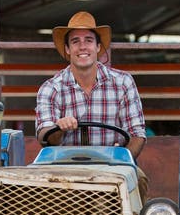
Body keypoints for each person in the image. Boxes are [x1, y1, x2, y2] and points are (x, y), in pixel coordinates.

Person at [35, 12, 147, 172]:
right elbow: (44, 135)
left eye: (88, 40)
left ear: (98, 47)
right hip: (65, 170)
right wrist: (58, 128)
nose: (82, 47)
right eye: (75, 41)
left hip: (114, 167)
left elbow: (137, 134)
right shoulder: (51, 88)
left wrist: (121, 163)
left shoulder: (123, 82)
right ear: (67, 49)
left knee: (138, 181)